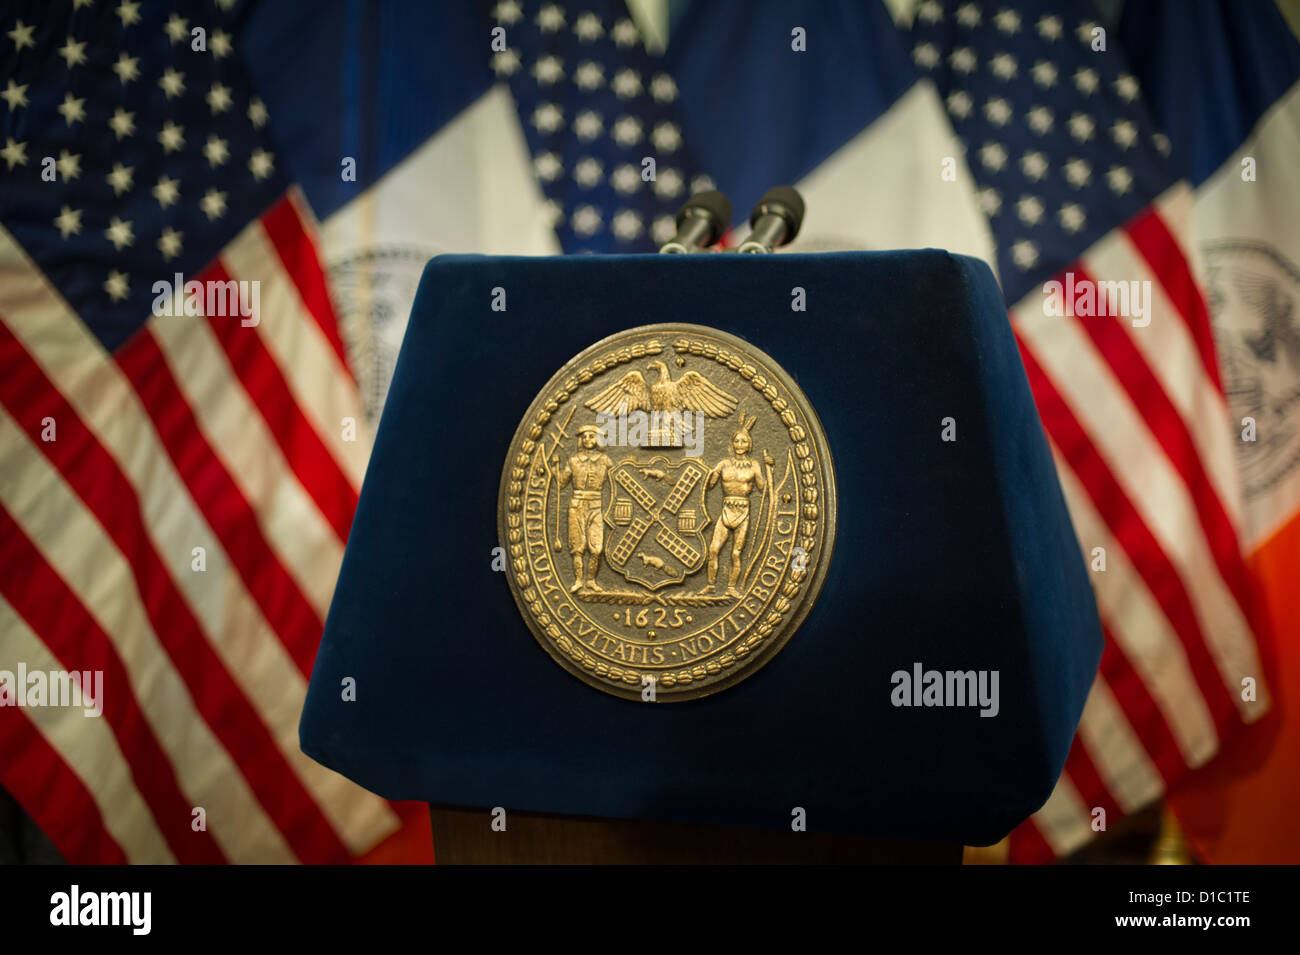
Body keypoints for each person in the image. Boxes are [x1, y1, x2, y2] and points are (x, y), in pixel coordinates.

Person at [701, 413, 765, 597]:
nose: (740, 445)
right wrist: (711, 473)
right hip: (726, 510)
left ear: (749, 444)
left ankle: (731, 588)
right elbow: (710, 485)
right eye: (737, 441)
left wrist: (768, 470)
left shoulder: (754, 466)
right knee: (713, 549)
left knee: (736, 554)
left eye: (744, 441)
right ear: (732, 443)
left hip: (743, 513)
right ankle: (711, 586)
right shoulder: (723, 464)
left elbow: (763, 488)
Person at [557, 424, 613, 593]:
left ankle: (591, 581)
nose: (589, 440)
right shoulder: (573, 461)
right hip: (577, 505)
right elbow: (561, 483)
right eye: (585, 436)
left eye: (592, 436)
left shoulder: (605, 460)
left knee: (596, 547)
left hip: (596, 505)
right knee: (577, 545)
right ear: (581, 440)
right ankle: (577, 581)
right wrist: (553, 468)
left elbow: (616, 480)